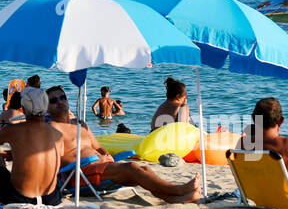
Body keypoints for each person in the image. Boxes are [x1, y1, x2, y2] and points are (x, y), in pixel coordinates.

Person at [51, 85, 202, 202]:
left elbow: (98, 146)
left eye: (62, 97)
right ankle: (179, 190)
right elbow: (56, 161)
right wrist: (94, 160)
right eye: (53, 100)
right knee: (131, 167)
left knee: (144, 170)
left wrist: (106, 155)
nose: (60, 101)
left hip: (100, 166)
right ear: (46, 106)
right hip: (80, 173)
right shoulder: (50, 128)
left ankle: (174, 198)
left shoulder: (80, 124)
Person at [0, 88, 64, 205]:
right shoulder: (57, 134)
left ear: (23, 107)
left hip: (19, 197)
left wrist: (3, 151)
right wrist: (16, 153)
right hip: (52, 198)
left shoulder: (14, 129)